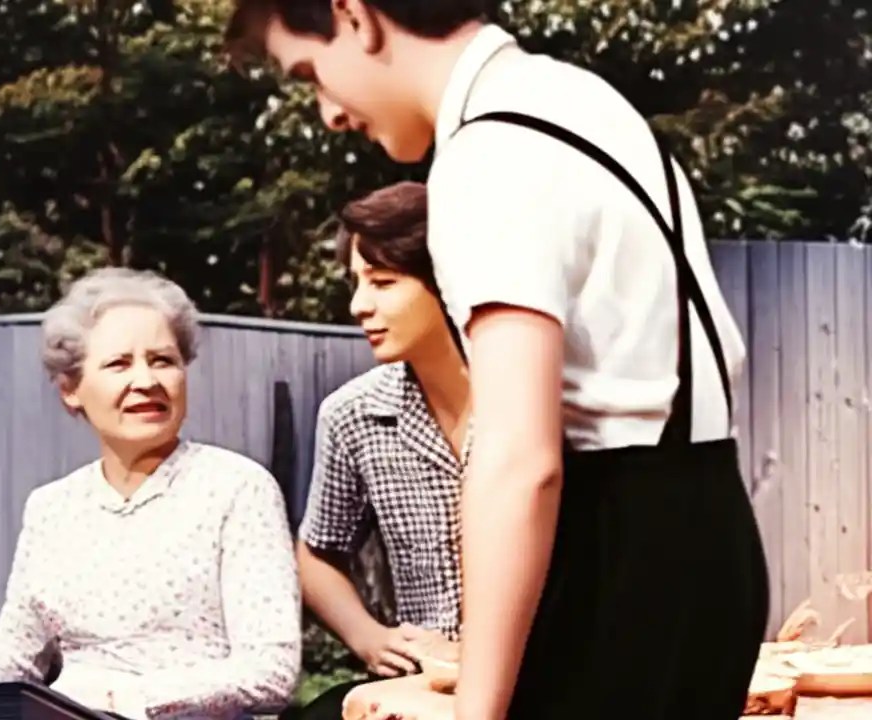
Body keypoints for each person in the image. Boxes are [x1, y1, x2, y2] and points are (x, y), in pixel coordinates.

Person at [224, 4, 769, 719]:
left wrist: (476, 710)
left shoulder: (489, 152)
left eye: (311, 75)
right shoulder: (576, 99)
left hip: (618, 557)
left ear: (353, 16)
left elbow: (520, 458)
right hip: (706, 530)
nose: (329, 112)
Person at [0, 267, 301, 720]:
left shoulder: (236, 488)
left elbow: (271, 670)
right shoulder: (52, 508)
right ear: (71, 389)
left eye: (163, 360)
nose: (146, 380)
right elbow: (18, 654)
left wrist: (131, 699)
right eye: (119, 363)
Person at [285, 182, 467, 720]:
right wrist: (368, 637)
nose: (359, 305)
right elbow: (317, 552)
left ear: (448, 281)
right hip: (419, 688)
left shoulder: (540, 404)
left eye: (383, 282)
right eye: (357, 282)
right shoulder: (355, 415)